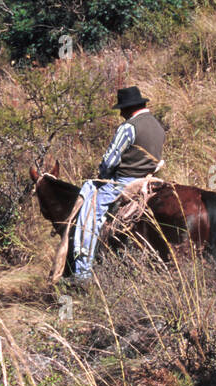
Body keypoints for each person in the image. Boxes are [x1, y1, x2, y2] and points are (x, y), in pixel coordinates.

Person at [71, 86, 166, 282]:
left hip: (125, 181)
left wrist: (103, 176)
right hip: (149, 178)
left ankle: (82, 271)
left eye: (122, 109)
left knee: (91, 213)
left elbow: (109, 161)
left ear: (129, 108)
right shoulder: (157, 125)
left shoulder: (128, 127)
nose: (121, 113)